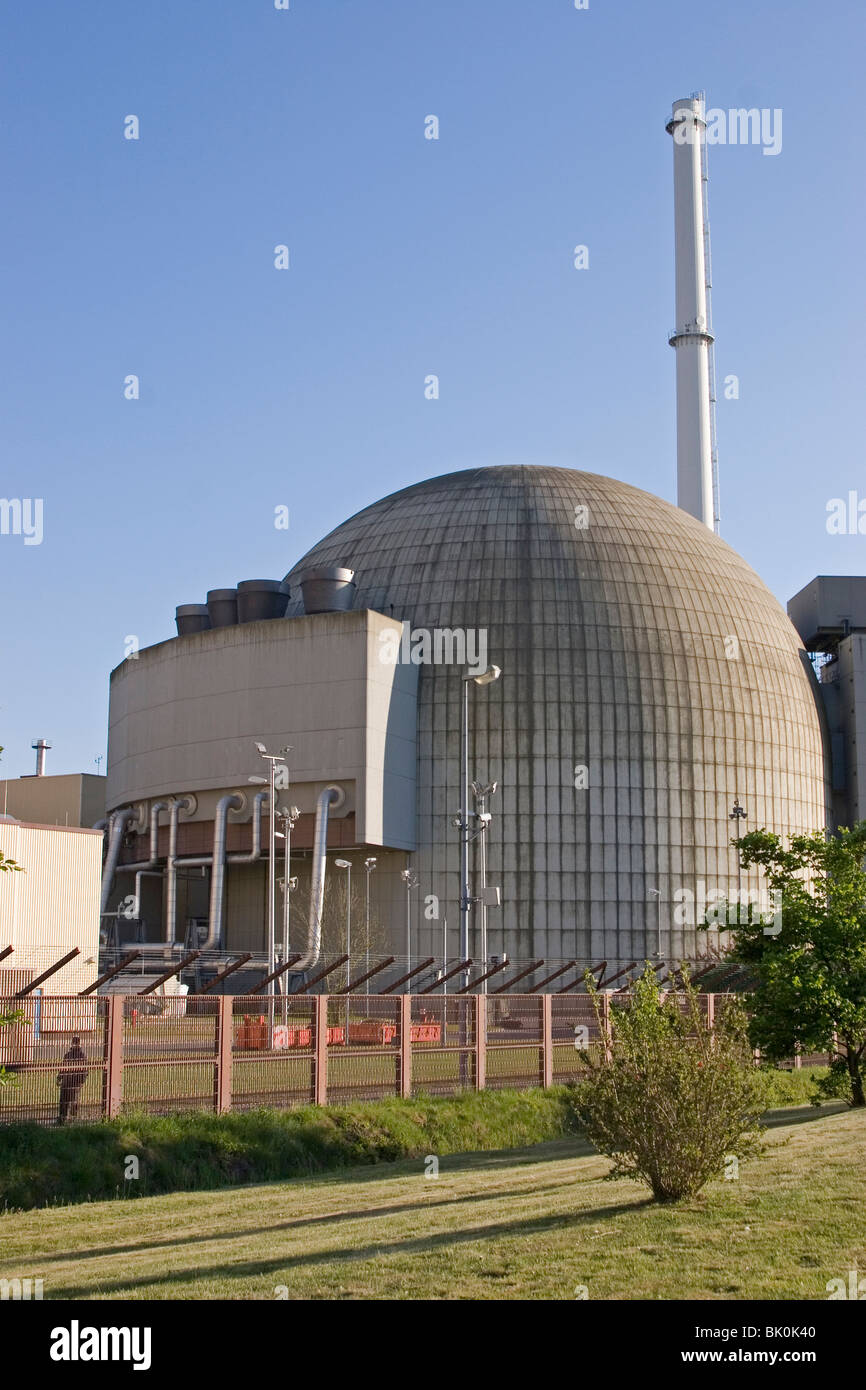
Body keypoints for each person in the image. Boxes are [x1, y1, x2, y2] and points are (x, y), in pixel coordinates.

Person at [57, 1036, 88, 1124]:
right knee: (63, 1101)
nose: (74, 1044)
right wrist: (59, 1078)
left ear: (79, 1044)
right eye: (73, 1042)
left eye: (76, 1043)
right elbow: (63, 1068)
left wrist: (81, 1082)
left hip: (75, 1083)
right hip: (66, 1082)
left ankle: (73, 1118)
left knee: (74, 1101)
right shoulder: (68, 1055)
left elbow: (85, 1071)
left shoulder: (82, 1056)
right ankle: (63, 1117)